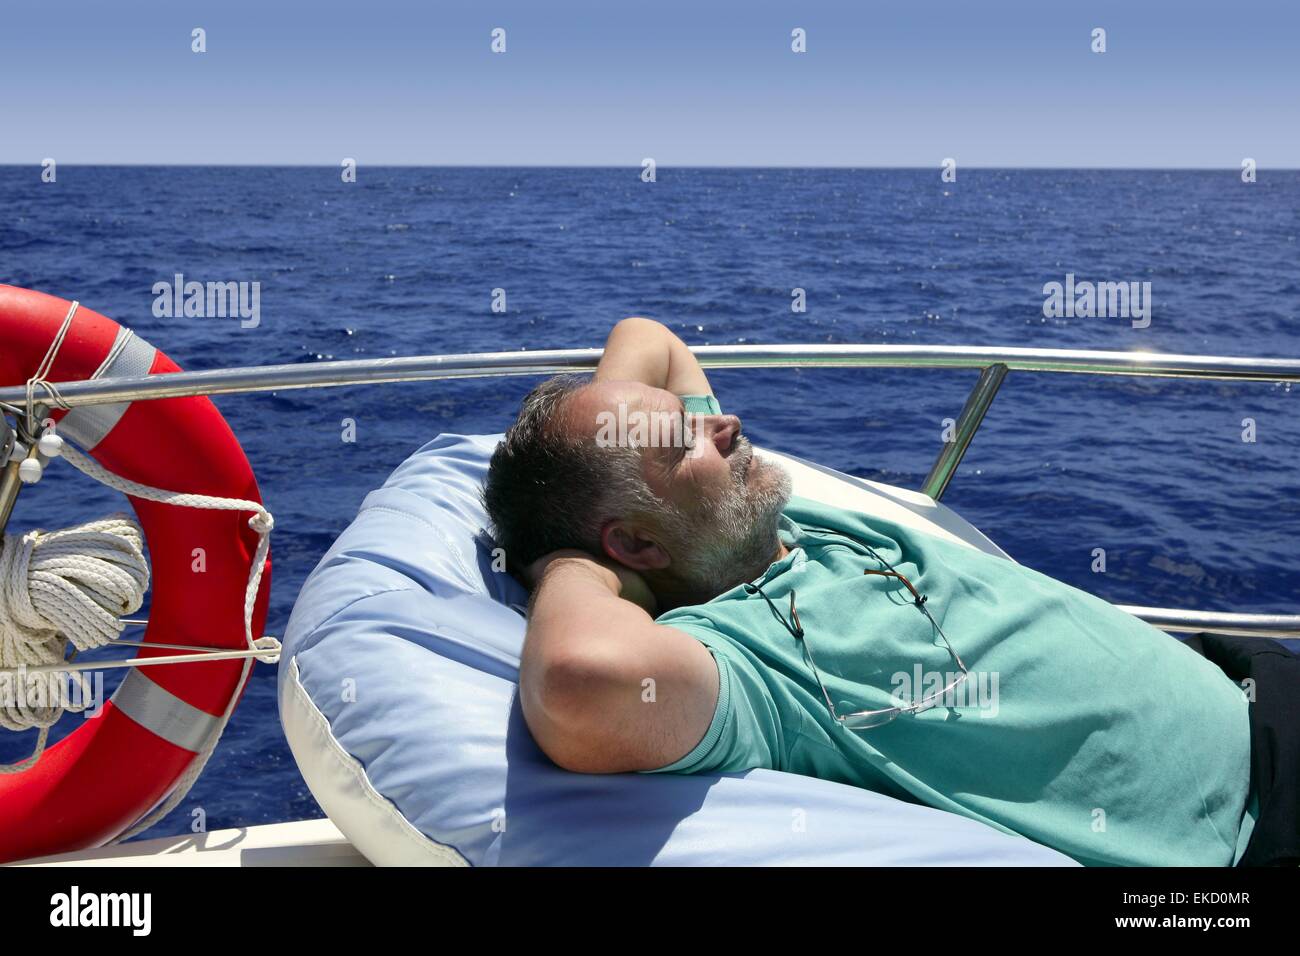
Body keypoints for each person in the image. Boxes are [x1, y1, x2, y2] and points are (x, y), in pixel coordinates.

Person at [482, 316, 1274, 866]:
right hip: (1251, 833)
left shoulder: (749, 517)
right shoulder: (749, 666)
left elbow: (649, 339)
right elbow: (579, 679)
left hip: (1243, 677)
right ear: (635, 544)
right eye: (681, 438)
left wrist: (594, 439)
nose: (719, 424)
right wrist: (569, 560)